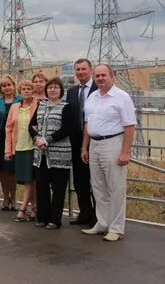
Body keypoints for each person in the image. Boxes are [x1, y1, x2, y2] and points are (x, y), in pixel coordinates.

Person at [81, 64, 137, 242]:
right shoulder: (92, 97)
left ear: (112, 77)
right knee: (98, 187)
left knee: (116, 187)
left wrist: (125, 152)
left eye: (103, 75)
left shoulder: (122, 97)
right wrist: (84, 147)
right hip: (94, 144)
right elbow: (87, 123)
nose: (100, 78)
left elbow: (129, 126)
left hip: (113, 143)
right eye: (97, 76)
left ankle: (116, 228)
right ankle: (103, 223)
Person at [28, 77, 73, 229]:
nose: (52, 90)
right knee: (41, 187)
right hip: (41, 154)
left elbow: (67, 129)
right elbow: (32, 125)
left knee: (58, 188)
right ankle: (42, 217)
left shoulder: (66, 107)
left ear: (61, 90)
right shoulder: (41, 105)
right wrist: (37, 138)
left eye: (56, 87)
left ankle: (55, 220)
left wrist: (47, 140)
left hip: (59, 153)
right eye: (50, 87)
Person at [66, 58, 98, 226]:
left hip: (95, 138)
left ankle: (98, 216)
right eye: (77, 69)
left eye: (83, 69)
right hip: (76, 140)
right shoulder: (72, 91)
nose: (80, 72)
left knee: (97, 180)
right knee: (80, 179)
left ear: (90, 70)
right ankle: (85, 212)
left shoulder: (99, 88)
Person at [5, 80, 39, 222]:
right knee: (27, 180)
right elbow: (8, 129)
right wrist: (7, 150)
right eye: (24, 89)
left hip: (33, 147)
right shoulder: (14, 107)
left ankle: (22, 209)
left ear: (33, 91)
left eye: (29, 89)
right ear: (20, 91)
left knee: (29, 179)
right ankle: (35, 208)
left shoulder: (38, 105)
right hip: (18, 147)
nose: (26, 91)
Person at [0, 76, 21, 211]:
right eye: (4, 86)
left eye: (9, 85)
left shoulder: (20, 100)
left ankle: (14, 198)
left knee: (13, 170)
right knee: (4, 170)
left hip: (15, 138)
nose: (7, 88)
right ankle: (5, 197)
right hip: (1, 138)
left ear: (14, 86)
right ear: (1, 88)